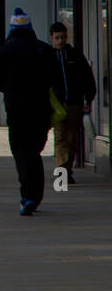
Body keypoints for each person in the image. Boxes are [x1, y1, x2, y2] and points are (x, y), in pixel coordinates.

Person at [0, 8, 59, 215]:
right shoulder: (44, 50)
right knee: (34, 151)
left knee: (21, 151)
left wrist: (12, 90)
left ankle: (27, 195)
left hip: (16, 109)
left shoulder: (5, 50)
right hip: (40, 109)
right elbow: (54, 78)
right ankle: (35, 195)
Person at [50, 21, 96, 182]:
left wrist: (88, 98)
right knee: (61, 137)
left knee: (71, 139)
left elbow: (87, 78)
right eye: (57, 38)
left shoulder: (75, 56)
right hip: (57, 106)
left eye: (62, 37)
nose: (60, 41)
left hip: (74, 104)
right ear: (52, 38)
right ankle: (61, 176)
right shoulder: (49, 57)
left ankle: (66, 171)